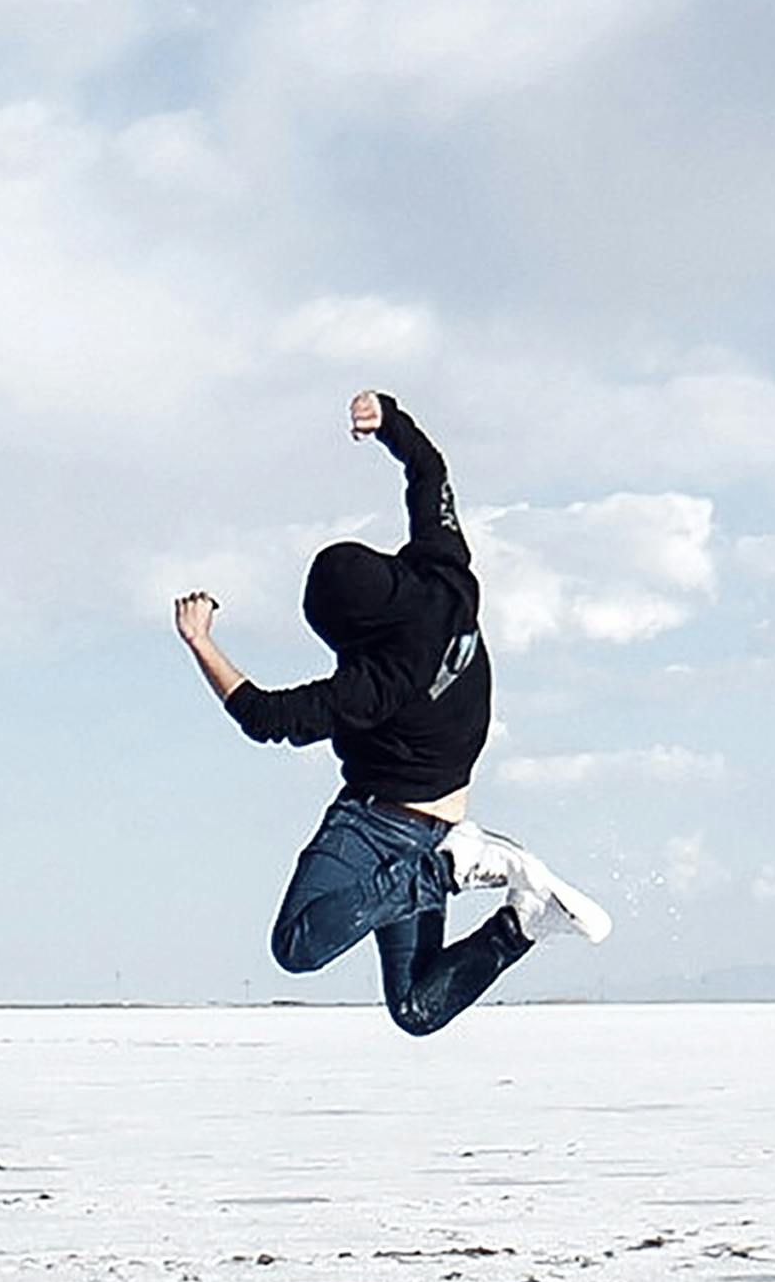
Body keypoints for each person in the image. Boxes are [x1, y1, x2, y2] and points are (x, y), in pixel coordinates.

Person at [175, 392, 612, 1036]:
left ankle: (453, 867)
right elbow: (430, 474)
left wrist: (200, 641)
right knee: (414, 1010)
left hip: (380, 829)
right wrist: (390, 419)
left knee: (296, 946)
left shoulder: (374, 683)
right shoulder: (446, 574)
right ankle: (523, 919)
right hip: (434, 820)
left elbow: (264, 717)